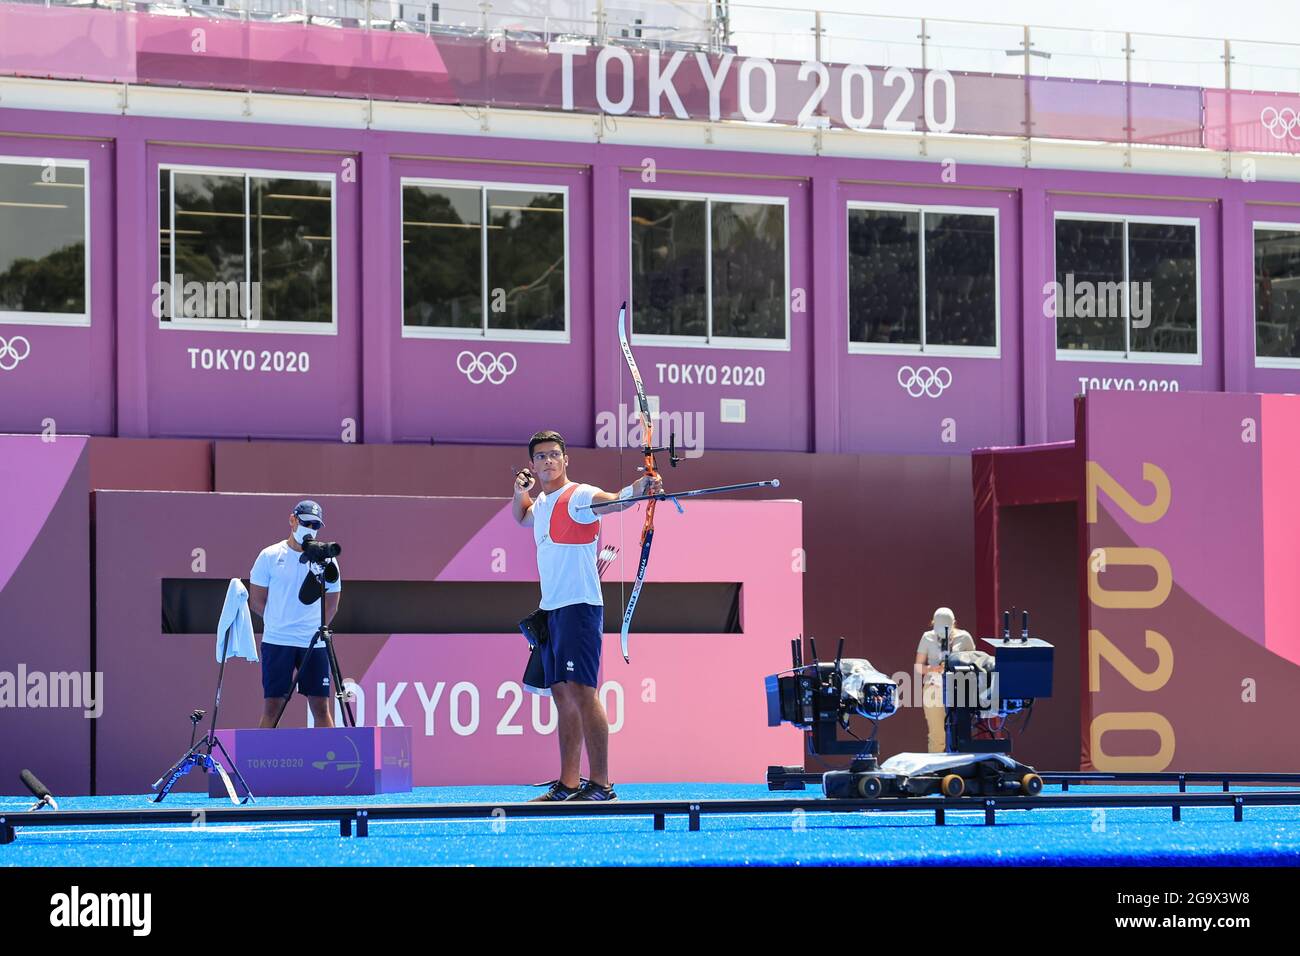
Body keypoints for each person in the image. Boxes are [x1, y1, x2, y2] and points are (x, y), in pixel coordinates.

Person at [511, 430, 661, 801]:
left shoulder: (578, 495)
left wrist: (642, 486)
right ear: (532, 464)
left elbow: (614, 502)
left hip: (580, 607)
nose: (548, 461)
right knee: (562, 694)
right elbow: (522, 516)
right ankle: (568, 784)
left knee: (583, 693)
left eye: (554, 455)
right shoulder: (542, 504)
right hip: (552, 610)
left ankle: (602, 785)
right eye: (541, 456)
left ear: (565, 460)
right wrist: (519, 492)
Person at [248, 500, 342, 729]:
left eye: (315, 526)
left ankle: (328, 759)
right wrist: (279, 623)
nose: (310, 529)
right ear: (292, 520)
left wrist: (315, 631)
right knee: (273, 706)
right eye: (306, 522)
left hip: (314, 643)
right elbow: (256, 601)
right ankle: (263, 761)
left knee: (321, 707)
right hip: (278, 640)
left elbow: (332, 604)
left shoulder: (327, 560)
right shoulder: (269, 556)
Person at [914, 606, 975, 753]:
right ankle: (937, 771)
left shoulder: (964, 637)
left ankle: (961, 769)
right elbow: (918, 667)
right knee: (937, 736)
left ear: (953, 623)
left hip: (958, 688)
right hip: (934, 687)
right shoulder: (927, 637)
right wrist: (935, 668)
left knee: (960, 733)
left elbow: (974, 662)